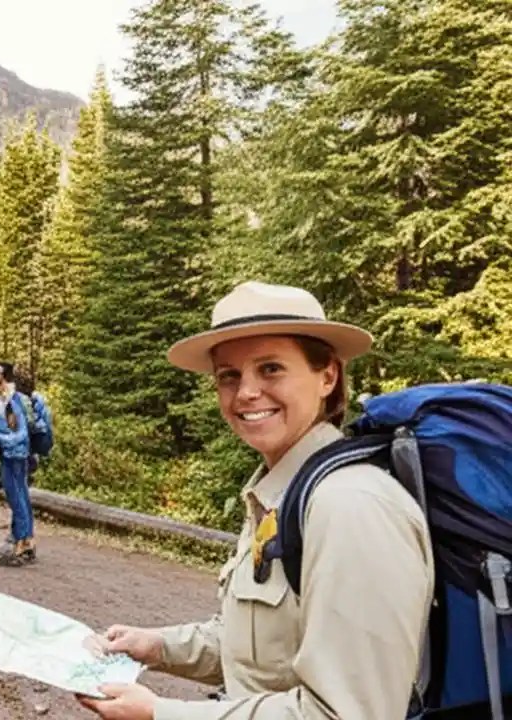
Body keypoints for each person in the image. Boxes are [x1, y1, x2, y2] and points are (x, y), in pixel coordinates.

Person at [77, 281, 433, 720]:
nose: (245, 392)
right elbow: (262, 651)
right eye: (229, 375)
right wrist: (157, 647)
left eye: (270, 369)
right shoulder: (285, 494)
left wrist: (163, 714)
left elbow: (347, 713)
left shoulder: (351, 507)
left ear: (327, 376)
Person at [0, 361, 34, 565]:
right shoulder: (2, 399)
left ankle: (23, 542)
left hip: (14, 455)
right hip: (11, 454)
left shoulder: (11, 401)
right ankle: (25, 540)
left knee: (16, 497)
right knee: (20, 495)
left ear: (5, 375)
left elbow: (19, 433)